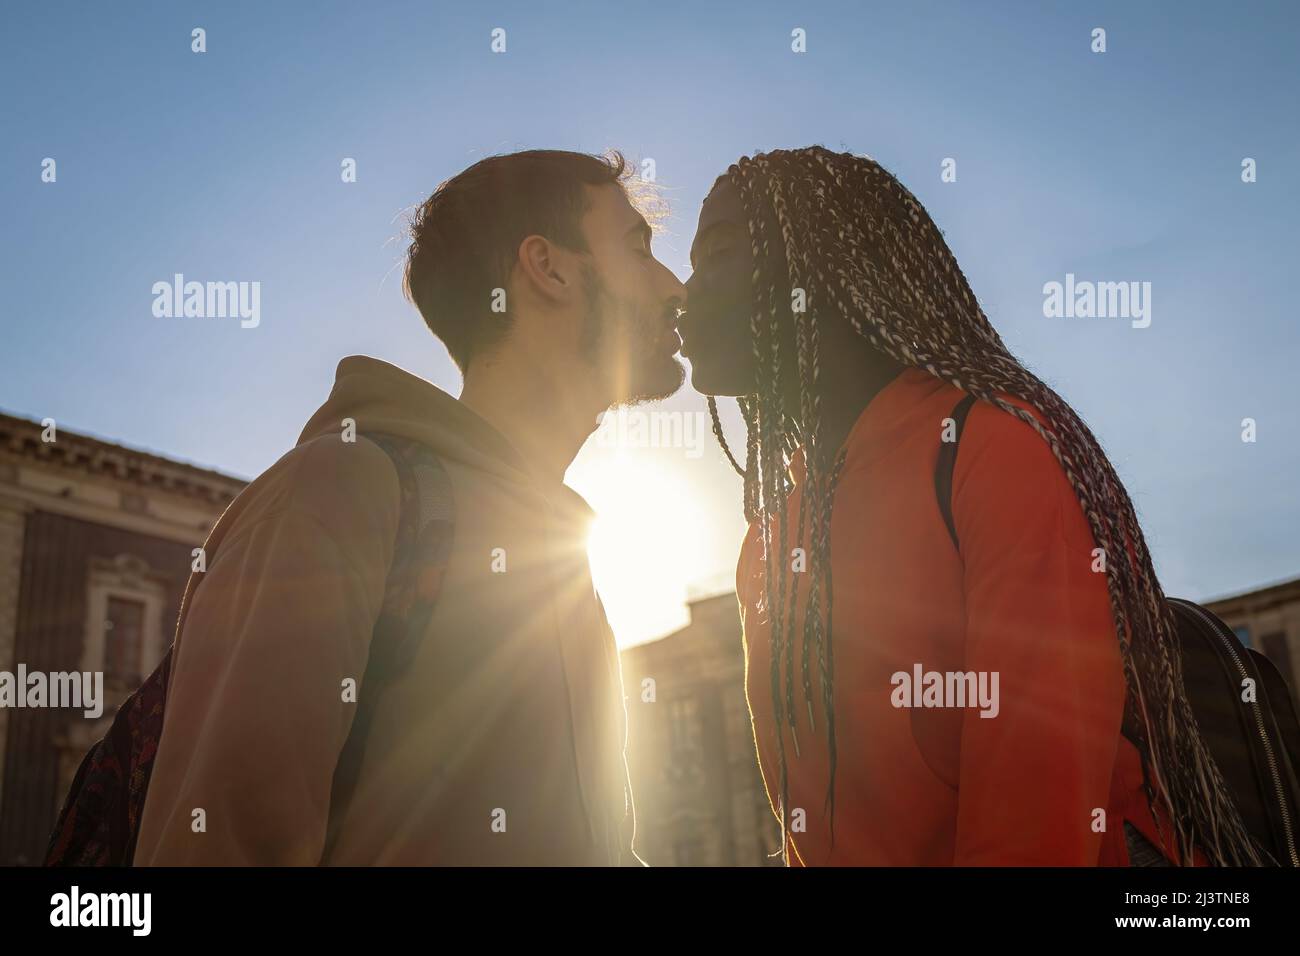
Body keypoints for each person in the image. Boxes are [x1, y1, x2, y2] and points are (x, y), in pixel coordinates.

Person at [678, 145, 1260, 866]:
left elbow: (1036, 807)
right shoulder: (771, 534)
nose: (685, 291)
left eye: (719, 254)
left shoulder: (991, 450)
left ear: (824, 268)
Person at [134, 149, 686, 865]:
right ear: (547, 268)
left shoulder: (568, 563)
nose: (676, 286)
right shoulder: (338, 488)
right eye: (639, 249)